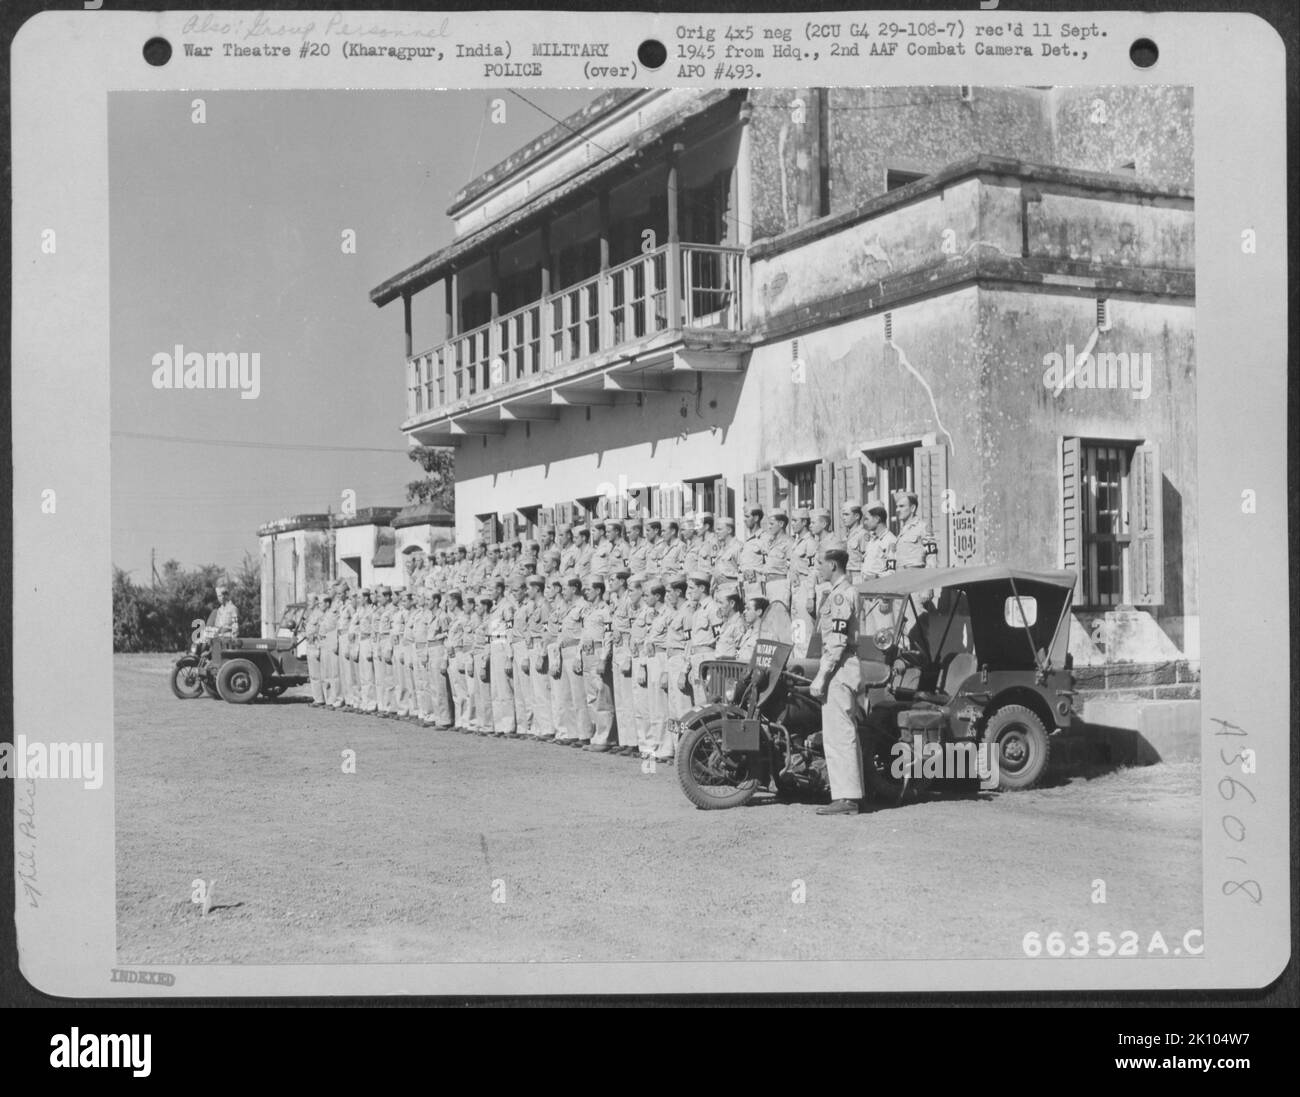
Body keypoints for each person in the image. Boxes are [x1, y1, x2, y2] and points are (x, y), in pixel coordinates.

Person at [810, 542, 864, 816]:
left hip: (839, 667)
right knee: (837, 733)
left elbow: (838, 641)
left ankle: (848, 798)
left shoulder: (842, 596)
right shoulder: (837, 592)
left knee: (840, 734)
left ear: (832, 565)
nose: (817, 567)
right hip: (839, 666)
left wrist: (822, 675)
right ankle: (845, 794)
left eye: (821, 563)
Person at [660, 575, 694, 762]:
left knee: (682, 709)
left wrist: (685, 668)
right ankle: (675, 748)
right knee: (673, 709)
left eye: (669, 592)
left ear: (679, 592)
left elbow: (689, 642)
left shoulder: (687, 612)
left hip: (681, 658)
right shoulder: (675, 612)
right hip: (672, 659)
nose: (667, 596)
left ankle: (685, 752)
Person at [608, 567, 639, 756]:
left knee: (628, 699)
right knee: (620, 699)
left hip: (626, 647)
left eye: (613, 579)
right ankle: (625, 739)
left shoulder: (629, 601)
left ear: (621, 581)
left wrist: (628, 655)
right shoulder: (614, 600)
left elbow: (633, 628)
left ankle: (633, 741)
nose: (610, 583)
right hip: (617, 649)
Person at [557, 574, 590, 746]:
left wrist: (579, 655)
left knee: (579, 696)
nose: (563, 592)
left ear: (574, 589)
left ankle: (584, 734)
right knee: (567, 696)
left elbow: (585, 634)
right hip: (565, 652)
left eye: (565, 588)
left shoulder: (583, 607)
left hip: (576, 651)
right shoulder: (568, 608)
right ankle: (573, 733)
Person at [641, 579, 670, 761]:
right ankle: (655, 745)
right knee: (652, 706)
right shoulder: (652, 614)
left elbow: (671, 643)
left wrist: (666, 669)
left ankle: (665, 748)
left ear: (657, 596)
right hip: (652, 659)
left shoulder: (668, 614)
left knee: (662, 706)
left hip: (662, 659)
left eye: (647, 594)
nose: (645, 598)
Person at [524, 574, 554, 741]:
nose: (528, 591)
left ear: (537, 589)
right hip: (532, 646)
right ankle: (540, 727)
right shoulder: (534, 606)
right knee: (535, 691)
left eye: (529, 588)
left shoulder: (544, 607)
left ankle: (548, 728)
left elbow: (547, 632)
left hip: (539, 647)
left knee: (542, 689)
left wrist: (542, 654)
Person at [686, 571, 723, 701]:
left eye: (691, 588)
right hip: (697, 659)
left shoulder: (712, 608)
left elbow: (720, 637)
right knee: (699, 700)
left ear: (702, 588)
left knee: (709, 699)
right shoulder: (698, 611)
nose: (689, 592)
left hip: (708, 659)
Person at [714, 586, 746, 660]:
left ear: (732, 603)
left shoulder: (739, 624)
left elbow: (740, 652)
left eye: (721, 603)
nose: (718, 607)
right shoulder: (725, 624)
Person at [304, 593, 325, 706]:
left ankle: (321, 698)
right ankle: (317, 697)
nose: (308, 603)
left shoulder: (319, 614)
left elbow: (321, 630)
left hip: (316, 645)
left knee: (318, 674)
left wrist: (318, 645)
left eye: (310, 601)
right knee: (313, 674)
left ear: (316, 602)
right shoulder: (311, 614)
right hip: (310, 645)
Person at [737, 595, 768, 663]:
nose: (744, 612)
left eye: (748, 609)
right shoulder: (749, 631)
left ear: (759, 612)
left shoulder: (765, 635)